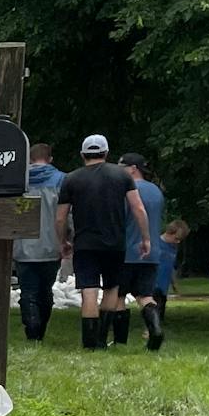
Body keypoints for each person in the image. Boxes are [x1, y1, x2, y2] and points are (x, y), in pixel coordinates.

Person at [54, 133, 151, 349]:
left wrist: (63, 241)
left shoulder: (71, 179)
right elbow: (138, 208)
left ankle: (89, 343)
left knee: (89, 290)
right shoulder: (121, 176)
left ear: (82, 155)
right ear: (106, 153)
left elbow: (61, 217)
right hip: (115, 243)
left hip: (85, 243)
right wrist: (145, 237)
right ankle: (101, 339)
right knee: (111, 288)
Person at [12, 141, 65, 341]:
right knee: (45, 289)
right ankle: (40, 327)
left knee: (28, 290)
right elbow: (66, 214)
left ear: (29, 159)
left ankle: (32, 328)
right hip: (52, 245)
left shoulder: (18, 180)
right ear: (50, 159)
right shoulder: (61, 180)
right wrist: (67, 240)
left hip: (23, 246)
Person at [116, 153, 168, 350]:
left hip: (126, 251)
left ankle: (120, 341)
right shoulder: (156, 191)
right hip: (151, 252)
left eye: (122, 168)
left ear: (133, 169)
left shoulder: (125, 190)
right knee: (145, 296)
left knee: (118, 296)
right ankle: (155, 329)